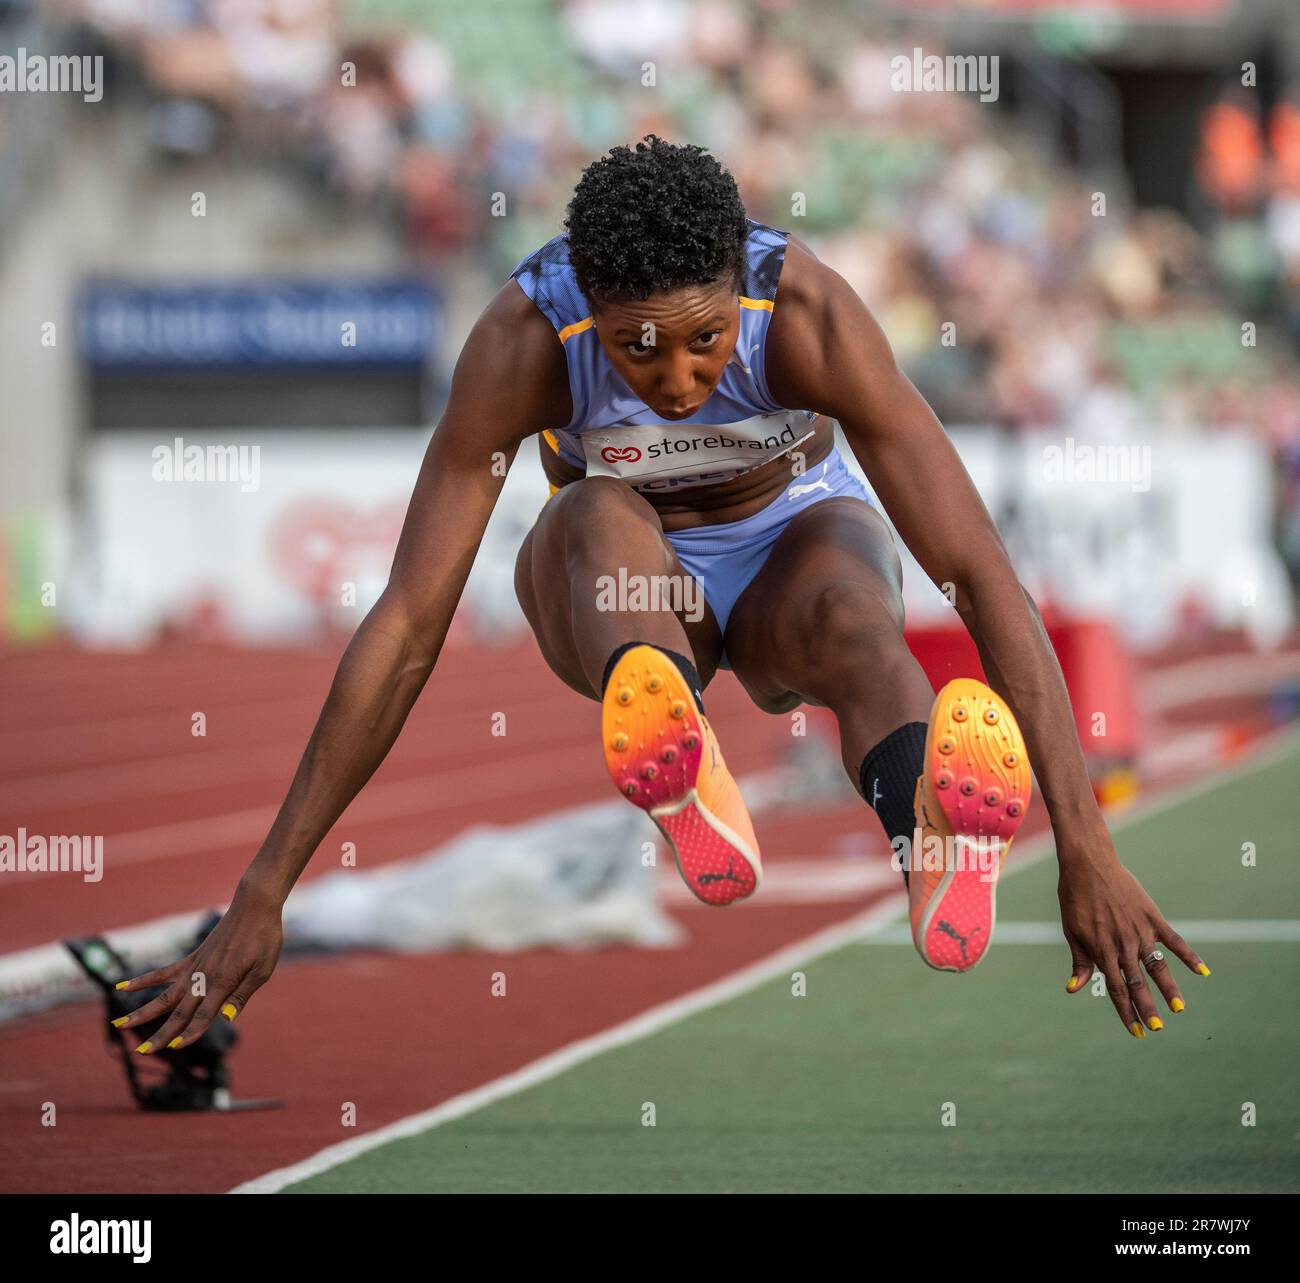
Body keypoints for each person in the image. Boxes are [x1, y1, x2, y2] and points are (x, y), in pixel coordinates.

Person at [118, 136, 1208, 1051]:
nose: (679, 381)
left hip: (792, 545)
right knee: (588, 512)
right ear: (590, 308)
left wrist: (1085, 847)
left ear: (741, 288)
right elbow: (407, 623)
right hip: (630, 590)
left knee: (858, 620)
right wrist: (265, 887)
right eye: (638, 348)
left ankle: (927, 826)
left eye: (703, 340)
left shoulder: (810, 316)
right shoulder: (521, 343)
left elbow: (977, 574)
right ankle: (680, 756)